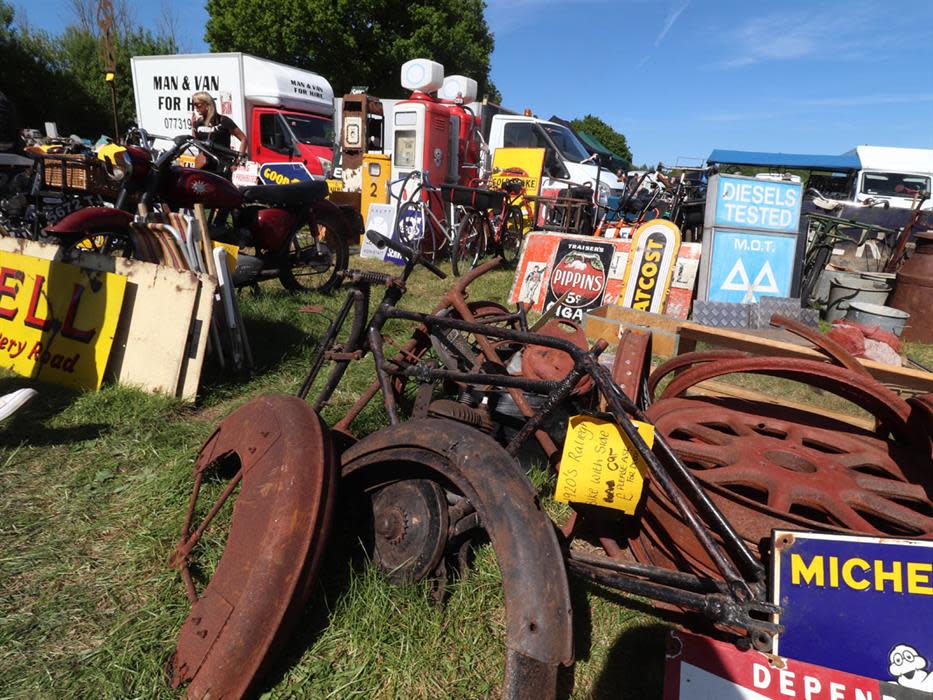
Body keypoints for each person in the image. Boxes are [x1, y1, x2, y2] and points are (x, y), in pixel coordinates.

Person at [190, 91, 246, 170]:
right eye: (194, 105)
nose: (195, 108)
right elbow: (195, 142)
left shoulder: (224, 121)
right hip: (204, 166)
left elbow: (244, 139)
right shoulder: (199, 122)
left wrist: (238, 161)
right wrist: (193, 126)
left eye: (198, 105)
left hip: (222, 167)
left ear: (207, 105)